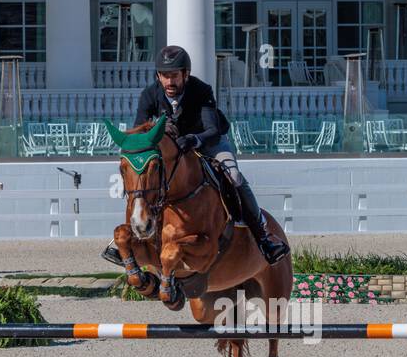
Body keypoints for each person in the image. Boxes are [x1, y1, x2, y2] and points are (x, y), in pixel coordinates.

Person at [103, 44, 289, 266]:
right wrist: (157, 131)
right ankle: (131, 233)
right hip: (174, 148)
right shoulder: (150, 94)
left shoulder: (201, 90)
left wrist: (193, 139)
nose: (169, 82)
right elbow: (139, 135)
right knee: (145, 177)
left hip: (207, 141)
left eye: (174, 76)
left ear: (186, 74)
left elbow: (211, 130)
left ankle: (263, 235)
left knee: (234, 176)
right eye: (164, 76)